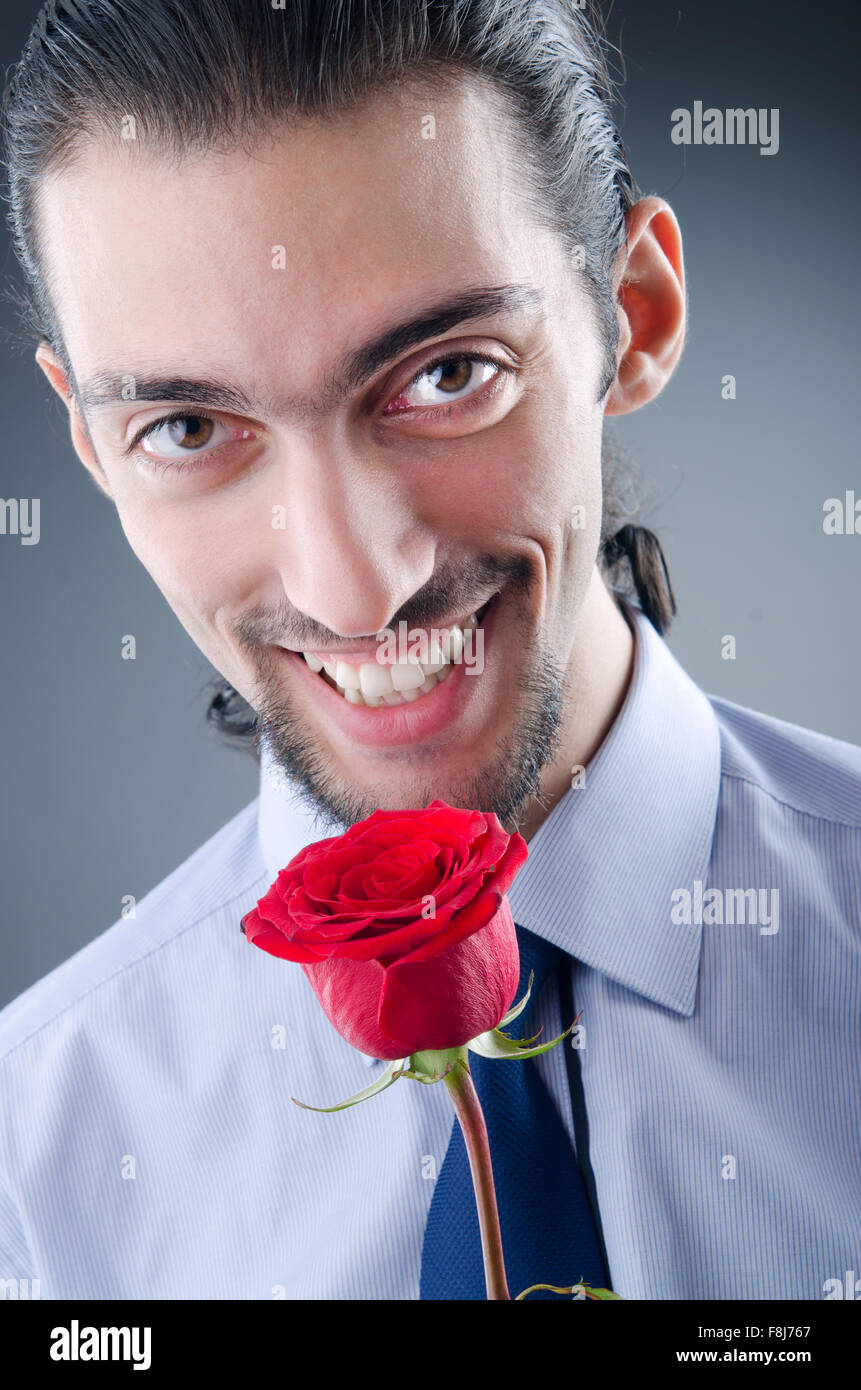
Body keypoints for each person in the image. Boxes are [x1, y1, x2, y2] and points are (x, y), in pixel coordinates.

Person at [0, 0, 858, 1302]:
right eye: (186, 426)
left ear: (631, 312)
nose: (354, 580)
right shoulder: (32, 1160)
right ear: (93, 446)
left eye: (447, 373)